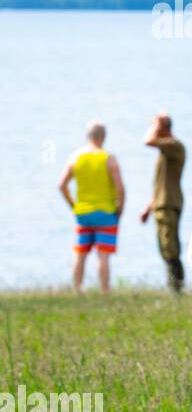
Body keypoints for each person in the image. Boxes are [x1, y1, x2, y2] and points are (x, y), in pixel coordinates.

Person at [58, 122, 124, 295]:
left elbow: (61, 185)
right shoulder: (108, 158)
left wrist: (73, 205)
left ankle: (78, 291)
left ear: (88, 136)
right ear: (103, 137)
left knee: (80, 253)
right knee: (103, 255)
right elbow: (120, 188)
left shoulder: (75, 157)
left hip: (83, 213)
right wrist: (120, 208)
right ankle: (105, 292)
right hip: (106, 212)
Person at [138, 113, 186, 292]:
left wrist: (155, 125)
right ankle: (174, 286)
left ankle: (176, 288)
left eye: (156, 126)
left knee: (169, 246)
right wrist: (148, 208)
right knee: (164, 246)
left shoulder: (175, 145)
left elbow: (147, 141)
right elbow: (160, 184)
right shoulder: (164, 151)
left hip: (169, 204)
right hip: (160, 204)